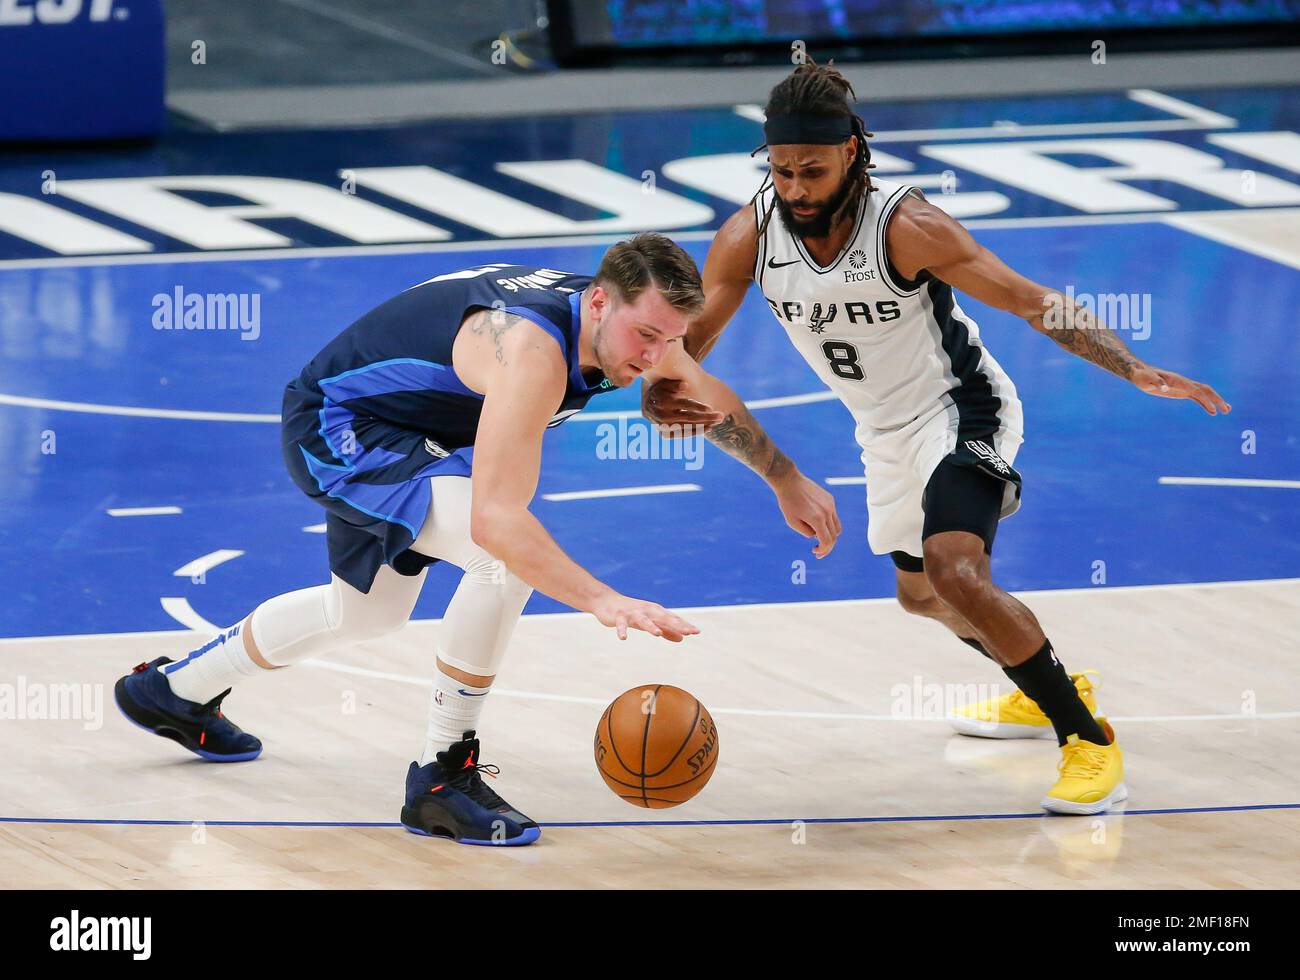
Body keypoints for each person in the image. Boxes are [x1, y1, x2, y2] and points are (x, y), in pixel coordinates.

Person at [114, 233, 838, 845]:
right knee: (499, 557)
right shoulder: (533, 351)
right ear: (597, 302)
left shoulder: (627, 325)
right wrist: (603, 599)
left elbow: (708, 392)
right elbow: (496, 520)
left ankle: (172, 690)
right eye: (647, 337)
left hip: (427, 431)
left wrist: (785, 479)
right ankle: (440, 773)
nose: (655, 358)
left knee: (365, 614)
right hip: (345, 425)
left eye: (669, 340)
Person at [643, 62, 1231, 815]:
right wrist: (663, 390)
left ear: (852, 152)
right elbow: (690, 347)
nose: (795, 188)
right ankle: (1044, 680)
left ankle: (1088, 739)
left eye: (811, 171)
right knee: (921, 596)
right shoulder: (748, 235)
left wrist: (1134, 367)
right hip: (884, 432)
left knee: (957, 571)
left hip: (963, 409)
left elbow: (1029, 300)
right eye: (782, 171)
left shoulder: (908, 227)